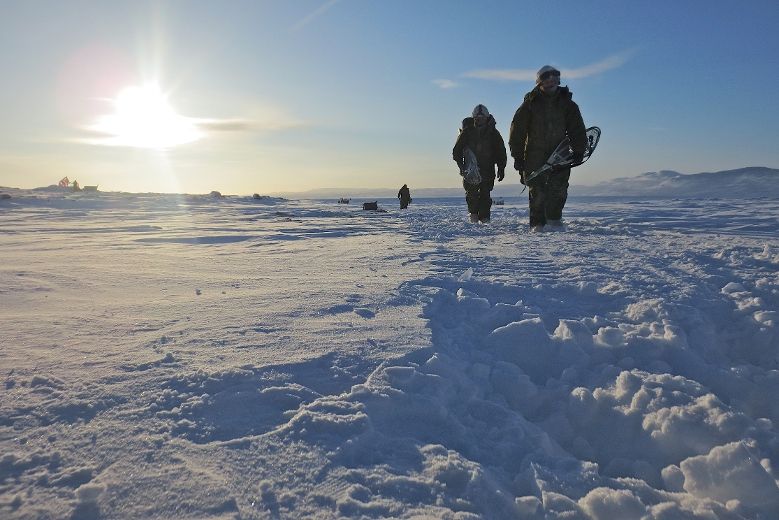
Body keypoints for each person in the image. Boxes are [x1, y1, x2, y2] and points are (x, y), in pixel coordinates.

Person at [509, 65, 587, 231]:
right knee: (537, 192)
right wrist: (518, 158)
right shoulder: (529, 105)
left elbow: (577, 129)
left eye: (555, 76)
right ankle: (537, 229)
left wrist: (579, 149)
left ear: (559, 80)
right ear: (539, 82)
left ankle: (554, 223)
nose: (551, 79)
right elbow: (517, 132)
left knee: (558, 191)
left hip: (560, 156)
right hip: (534, 157)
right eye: (546, 77)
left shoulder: (568, 105)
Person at [452, 104, 507, 223]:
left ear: (486, 117)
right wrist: (461, 166)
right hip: (470, 170)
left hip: (488, 169)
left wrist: (501, 168)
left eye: (482, 117)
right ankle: (473, 216)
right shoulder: (467, 132)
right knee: (471, 193)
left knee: (485, 195)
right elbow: (457, 151)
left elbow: (500, 152)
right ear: (473, 118)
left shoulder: (493, 133)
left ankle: (485, 218)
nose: (479, 119)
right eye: (477, 117)